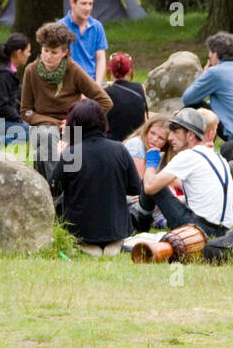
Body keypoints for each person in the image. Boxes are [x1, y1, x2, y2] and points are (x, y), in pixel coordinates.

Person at [20, 22, 113, 177]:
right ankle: (56, 188)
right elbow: (26, 111)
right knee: (47, 135)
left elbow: (105, 102)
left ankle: (62, 187)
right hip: (42, 125)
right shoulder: (31, 71)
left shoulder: (74, 70)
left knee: (65, 143)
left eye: (54, 52)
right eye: (45, 50)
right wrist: (54, 123)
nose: (48, 56)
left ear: (64, 52)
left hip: (71, 126)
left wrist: (78, 121)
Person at [52, 99, 141, 254]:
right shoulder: (120, 149)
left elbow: (53, 189)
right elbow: (135, 188)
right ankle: (112, 245)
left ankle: (90, 247)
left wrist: (60, 156)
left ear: (74, 124)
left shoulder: (71, 153)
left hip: (81, 232)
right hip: (116, 230)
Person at [132, 107, 233, 238]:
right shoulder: (216, 156)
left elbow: (150, 187)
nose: (170, 137)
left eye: (175, 132)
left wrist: (151, 161)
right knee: (155, 179)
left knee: (150, 181)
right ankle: (140, 220)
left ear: (190, 135)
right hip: (222, 231)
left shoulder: (188, 155)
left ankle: (139, 224)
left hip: (197, 229)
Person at [182, 31, 233, 144]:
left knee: (190, 107)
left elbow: (187, 98)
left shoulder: (215, 73)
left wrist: (204, 74)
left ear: (215, 54)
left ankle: (198, 144)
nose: (209, 57)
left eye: (210, 53)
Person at [0, 32, 32, 144]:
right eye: (28, 51)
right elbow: (1, 107)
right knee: (33, 132)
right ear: (19, 53)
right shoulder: (3, 74)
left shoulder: (0, 65)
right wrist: (20, 120)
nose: (29, 54)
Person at [59, 0, 107, 81]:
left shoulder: (97, 26)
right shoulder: (61, 26)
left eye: (90, 4)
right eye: (83, 3)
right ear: (72, 3)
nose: (88, 8)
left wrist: (97, 85)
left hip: (92, 82)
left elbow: (101, 58)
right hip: (69, 83)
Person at [104, 52, 147, 142]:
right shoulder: (141, 88)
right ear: (130, 71)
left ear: (109, 70)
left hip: (113, 141)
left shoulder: (105, 93)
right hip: (136, 140)